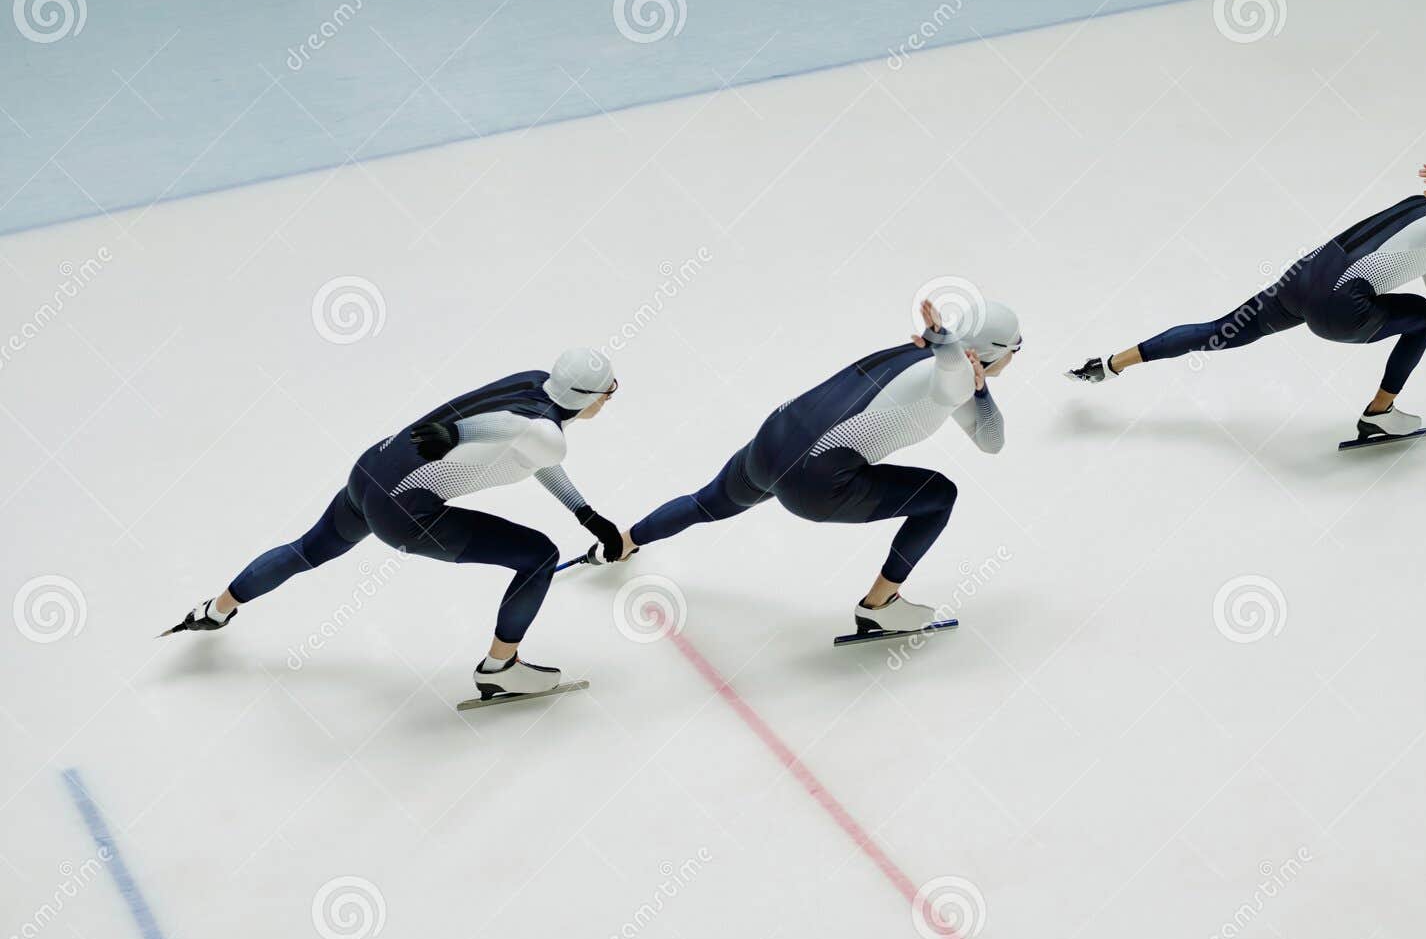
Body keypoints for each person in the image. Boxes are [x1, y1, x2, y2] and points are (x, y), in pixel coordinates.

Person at [163, 349, 627, 704]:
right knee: (540, 556)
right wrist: (460, 435)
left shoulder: (533, 380)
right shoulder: (546, 436)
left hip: (370, 472)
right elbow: (511, 431)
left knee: (310, 548)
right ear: (588, 397)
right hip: (406, 513)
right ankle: (500, 668)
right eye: (608, 392)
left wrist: (586, 515)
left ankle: (215, 609)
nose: (609, 399)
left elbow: (528, 445)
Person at [604, 298, 1020, 635]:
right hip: (816, 482)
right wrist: (955, 355)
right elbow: (987, 428)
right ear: (992, 352)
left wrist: (959, 361)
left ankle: (622, 542)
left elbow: (984, 430)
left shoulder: (919, 352)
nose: (1015, 358)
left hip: (772, 441)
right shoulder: (953, 374)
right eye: (1015, 350)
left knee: (705, 503)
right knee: (940, 495)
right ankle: (880, 605)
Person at [1069, 163, 1426, 440]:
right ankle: (1380, 412)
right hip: (1340, 308)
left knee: (1218, 331)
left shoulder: (1421, 208)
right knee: (1424, 317)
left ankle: (1109, 364)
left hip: (1303, 279)